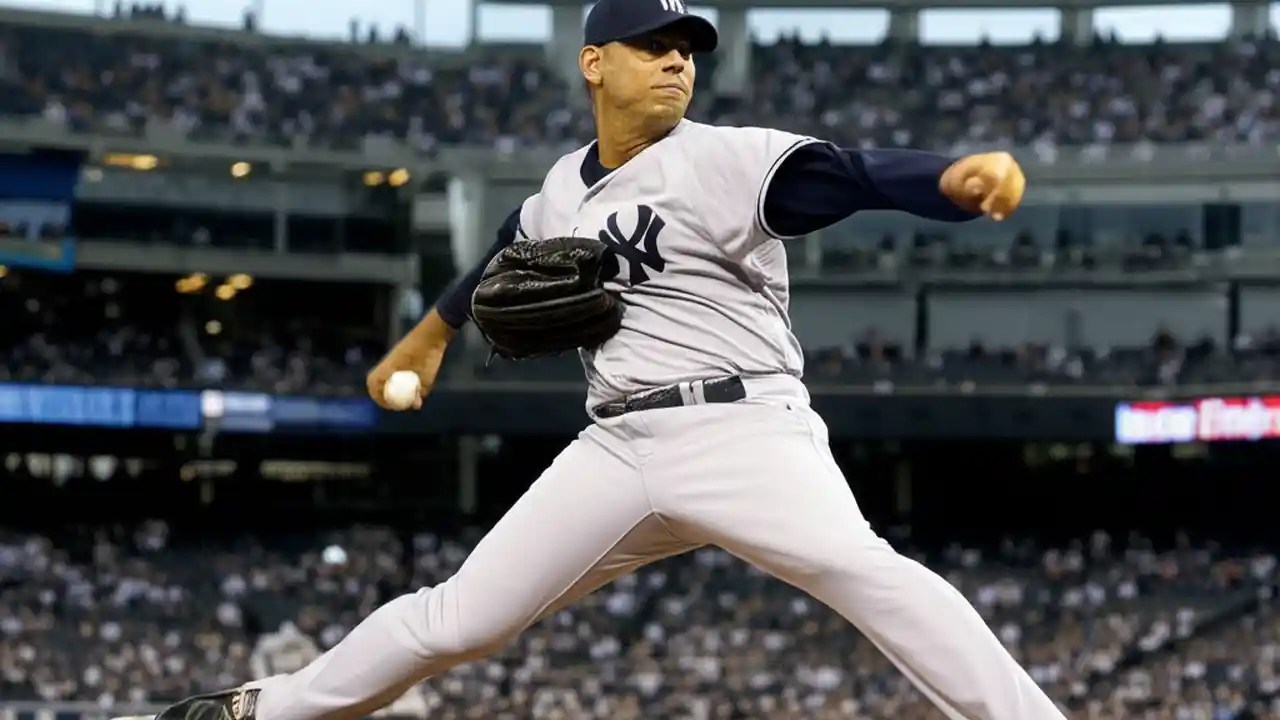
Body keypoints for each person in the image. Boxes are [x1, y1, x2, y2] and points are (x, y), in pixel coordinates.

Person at [129, 1, 1063, 719]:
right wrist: (430, 336)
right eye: (653, 43)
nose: (675, 61)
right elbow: (508, 246)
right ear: (593, 63)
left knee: (867, 572)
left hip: (744, 429)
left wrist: (948, 180)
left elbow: (851, 176)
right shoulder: (558, 188)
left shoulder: (727, 159)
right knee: (463, 618)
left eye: (686, 47)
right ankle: (262, 707)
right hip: (615, 445)